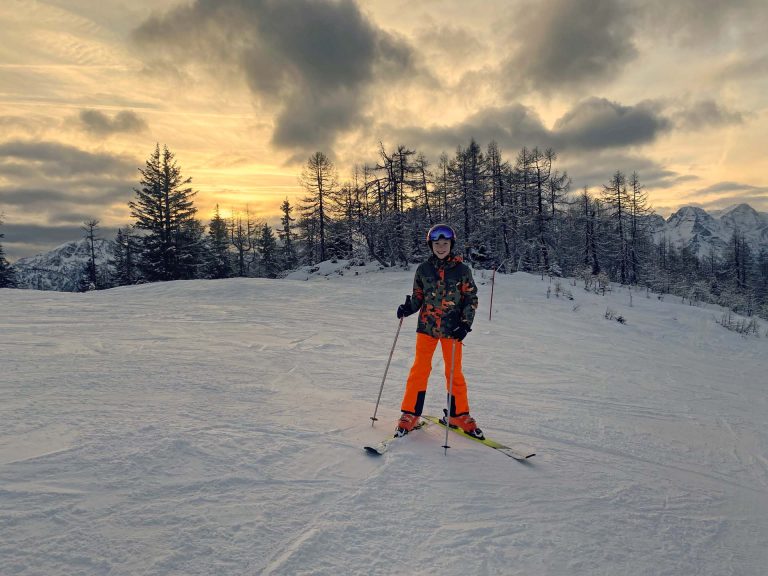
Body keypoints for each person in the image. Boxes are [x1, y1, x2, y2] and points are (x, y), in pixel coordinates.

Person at [394, 224, 483, 439]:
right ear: (431, 245)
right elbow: (418, 297)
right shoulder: (423, 269)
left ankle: (458, 415)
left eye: (445, 243)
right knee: (419, 369)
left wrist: (465, 324)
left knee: (454, 372)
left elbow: (471, 299)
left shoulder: (462, 270)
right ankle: (410, 413)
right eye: (437, 244)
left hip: (453, 330)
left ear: (451, 244)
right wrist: (407, 308)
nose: (441, 247)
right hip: (427, 328)